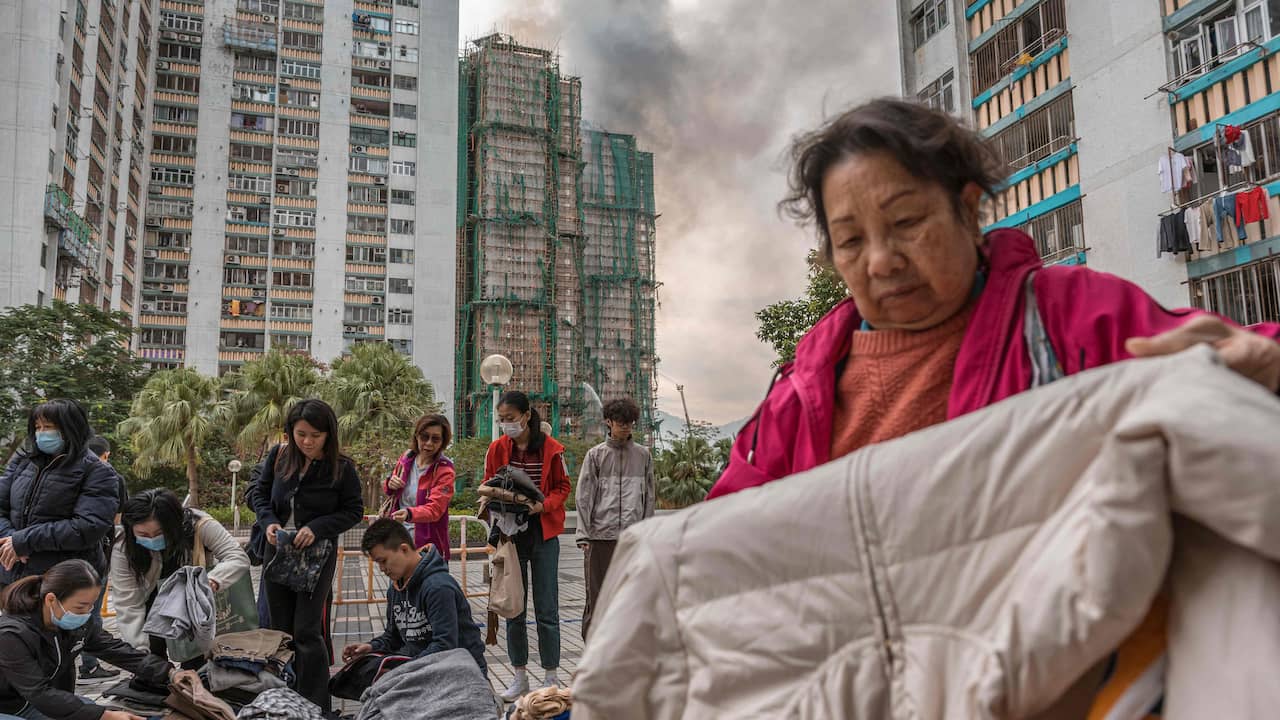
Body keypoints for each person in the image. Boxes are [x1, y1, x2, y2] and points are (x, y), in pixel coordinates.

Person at [711, 98, 1280, 716]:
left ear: (968, 206)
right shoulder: (804, 389)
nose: (880, 260)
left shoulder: (1071, 317)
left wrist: (1262, 369)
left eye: (905, 222)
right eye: (850, 240)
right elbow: (723, 551)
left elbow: (1241, 361)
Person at [251, 399, 363, 714]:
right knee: (281, 631)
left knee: (307, 630)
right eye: (300, 434)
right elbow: (259, 495)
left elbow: (354, 510)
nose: (307, 442)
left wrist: (317, 527)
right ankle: (284, 700)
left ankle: (316, 705)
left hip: (317, 556)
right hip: (279, 551)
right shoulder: (278, 457)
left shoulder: (342, 467)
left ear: (329, 434)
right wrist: (268, 522)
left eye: (315, 435)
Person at [0, 559, 177, 720]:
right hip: (10, 708)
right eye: (80, 606)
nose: (86, 613)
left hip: (43, 701)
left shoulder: (75, 624)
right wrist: (103, 715)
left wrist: (170, 673)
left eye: (91, 605)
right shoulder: (11, 635)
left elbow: (115, 650)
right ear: (51, 599)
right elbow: (38, 692)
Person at [484, 391, 571, 701]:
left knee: (547, 608)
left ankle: (551, 675)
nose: (506, 424)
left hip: (544, 534)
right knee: (514, 607)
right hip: (511, 536)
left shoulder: (551, 448)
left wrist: (544, 505)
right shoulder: (497, 448)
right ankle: (519, 676)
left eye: (510, 418)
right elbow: (488, 483)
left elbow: (563, 487)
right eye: (501, 419)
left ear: (526, 415)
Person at [340, 518, 486, 695]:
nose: (381, 569)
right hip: (421, 671)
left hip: (461, 675)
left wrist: (400, 671)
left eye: (383, 561)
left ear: (403, 549)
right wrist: (370, 647)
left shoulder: (438, 587)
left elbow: (444, 646)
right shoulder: (395, 589)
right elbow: (393, 637)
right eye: (378, 563)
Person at [109, 489, 250, 666]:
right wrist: (142, 654)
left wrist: (210, 581)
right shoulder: (124, 547)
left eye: (160, 532)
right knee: (153, 664)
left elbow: (237, 557)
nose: (152, 539)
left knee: (197, 660)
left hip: (194, 604)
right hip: (151, 608)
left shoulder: (199, 524)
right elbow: (128, 604)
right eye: (143, 535)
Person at [0, 400, 120, 588]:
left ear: (70, 428)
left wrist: (26, 540)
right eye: (38, 427)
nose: (41, 433)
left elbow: (87, 526)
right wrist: (11, 539)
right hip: (14, 574)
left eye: (48, 427)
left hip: (66, 581)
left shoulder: (97, 471)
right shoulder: (23, 462)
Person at [574, 397, 654, 640]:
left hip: (632, 538)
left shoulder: (643, 455)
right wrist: (583, 533)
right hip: (599, 538)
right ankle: (592, 651)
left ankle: (623, 649)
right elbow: (584, 496)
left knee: (630, 596)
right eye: (620, 422)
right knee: (597, 597)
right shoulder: (595, 455)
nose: (625, 427)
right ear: (608, 422)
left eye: (629, 422)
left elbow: (649, 497)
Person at [77, 436, 130, 683]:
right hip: (98, 553)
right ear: (106, 454)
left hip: (68, 555)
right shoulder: (111, 476)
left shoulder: (72, 473)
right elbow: (118, 520)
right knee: (91, 610)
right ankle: (89, 666)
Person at [384, 414, 456, 560]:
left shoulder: (445, 470)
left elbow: (435, 509)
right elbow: (391, 492)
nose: (428, 443)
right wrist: (390, 484)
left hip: (428, 549)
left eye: (435, 439)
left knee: (429, 583)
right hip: (398, 542)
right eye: (424, 437)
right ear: (416, 436)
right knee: (398, 583)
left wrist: (409, 514)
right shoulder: (406, 458)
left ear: (443, 442)